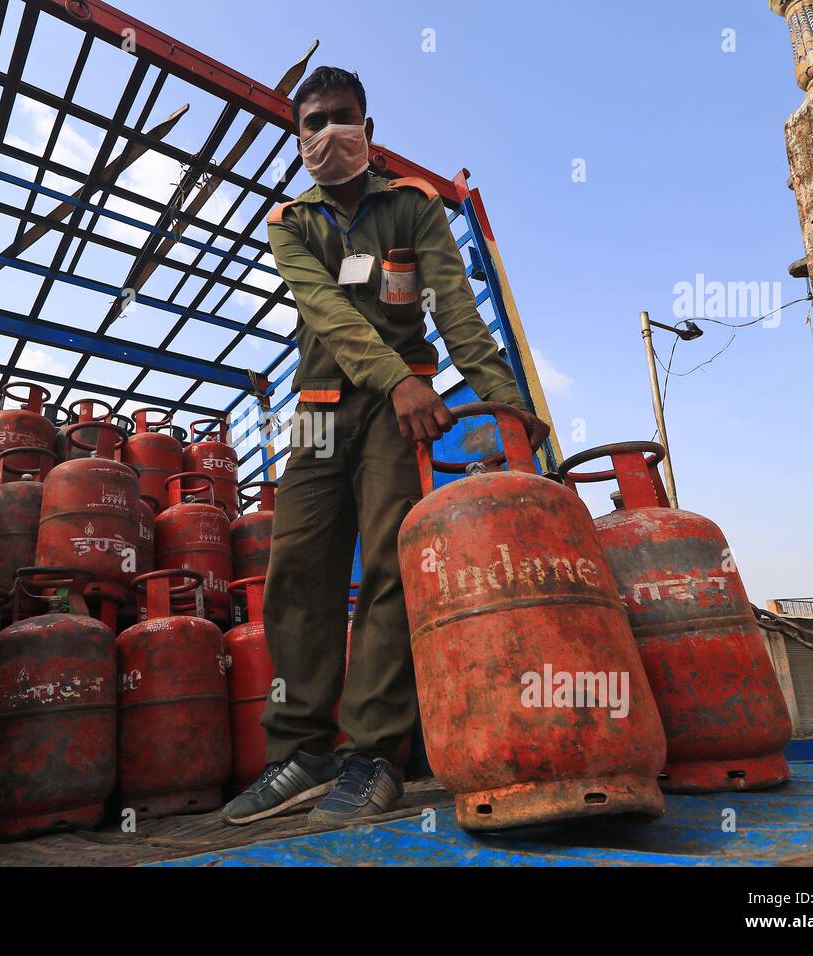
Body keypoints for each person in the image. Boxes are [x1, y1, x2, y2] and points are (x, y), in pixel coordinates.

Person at [222, 66, 544, 826]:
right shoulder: (290, 224)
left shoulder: (413, 208)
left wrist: (504, 404)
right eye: (313, 121)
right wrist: (399, 376)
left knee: (395, 565)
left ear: (369, 128)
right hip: (319, 409)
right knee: (296, 569)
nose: (328, 131)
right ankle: (302, 749)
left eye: (342, 117)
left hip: (400, 414)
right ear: (298, 137)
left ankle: (372, 756)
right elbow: (327, 311)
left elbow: (456, 310)